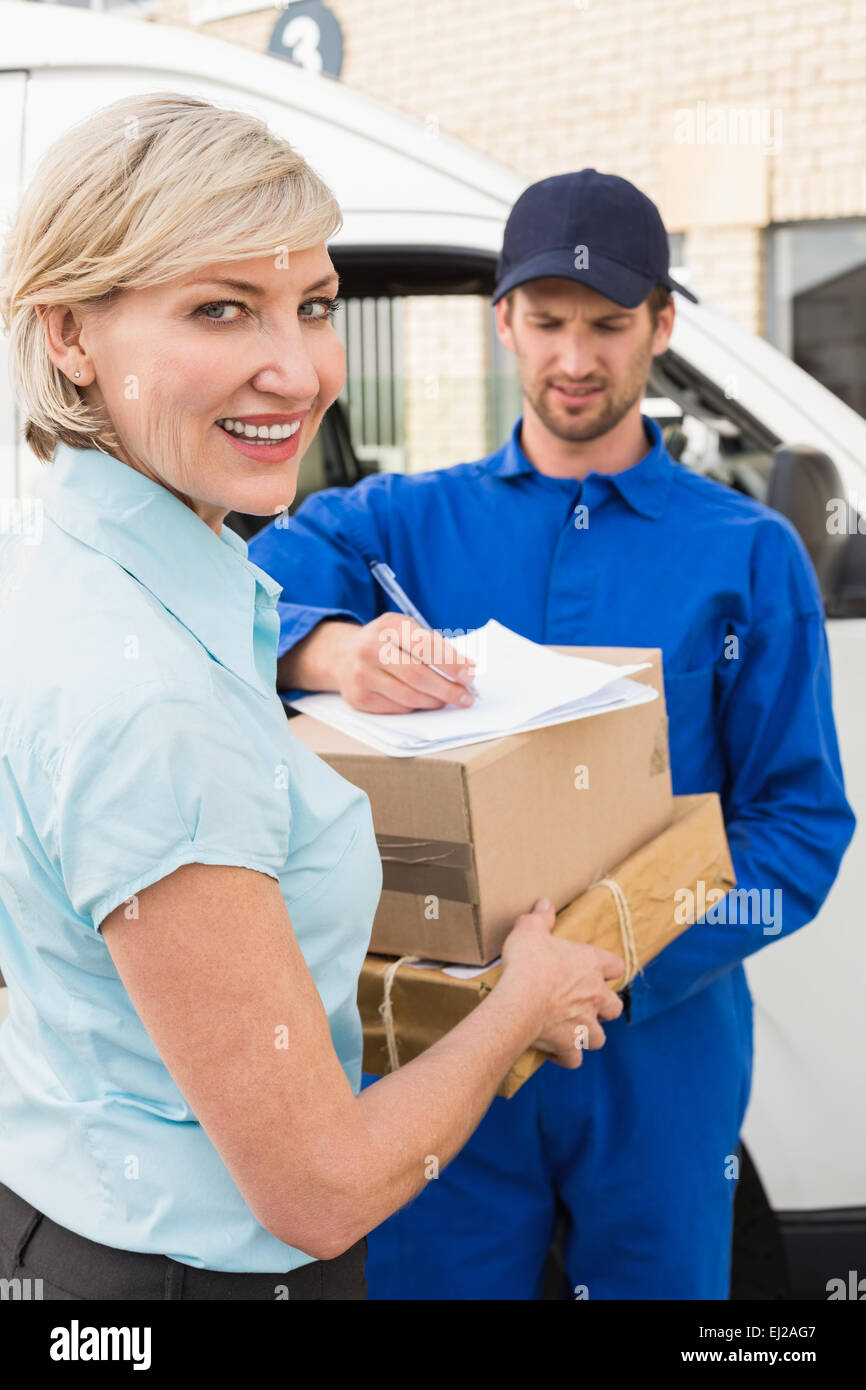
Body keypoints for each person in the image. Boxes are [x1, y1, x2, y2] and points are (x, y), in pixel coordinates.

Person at [0, 98, 626, 1302]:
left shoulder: (79, 565)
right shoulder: (149, 698)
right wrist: (519, 1005)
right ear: (70, 333)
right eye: (220, 308)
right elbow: (320, 1186)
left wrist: (325, 653)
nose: (298, 370)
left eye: (315, 306)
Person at [249, 169, 857, 1300]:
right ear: (502, 325)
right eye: (545, 322)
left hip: (657, 1043)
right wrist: (337, 653)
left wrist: (608, 958)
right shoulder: (401, 522)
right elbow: (251, 589)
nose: (573, 358)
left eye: (607, 326)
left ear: (661, 327)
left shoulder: (748, 552)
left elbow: (798, 823)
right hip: (446, 1046)